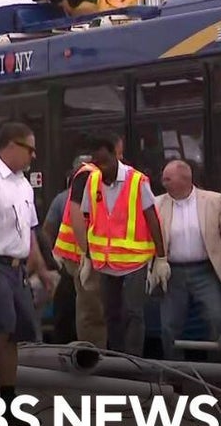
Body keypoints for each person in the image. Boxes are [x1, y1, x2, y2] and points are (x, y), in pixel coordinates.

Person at [0, 122, 55, 425]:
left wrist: (41, 268)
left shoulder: (23, 184)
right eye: (29, 149)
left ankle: (8, 400)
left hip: (17, 268)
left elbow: (30, 231)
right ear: (11, 146)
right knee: (0, 326)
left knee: (16, 334)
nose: (33, 155)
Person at [69, 134, 170, 359]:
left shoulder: (137, 181)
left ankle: (133, 361)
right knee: (110, 314)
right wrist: (86, 257)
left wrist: (161, 259)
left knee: (133, 313)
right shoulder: (92, 181)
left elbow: (153, 219)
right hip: (105, 263)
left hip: (134, 262)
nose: (101, 168)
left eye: (105, 162)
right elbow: (88, 219)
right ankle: (116, 359)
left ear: (116, 156)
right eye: (97, 163)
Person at [155, 159, 221, 365]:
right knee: (169, 326)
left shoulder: (213, 201)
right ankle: (174, 374)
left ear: (185, 179)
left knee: (216, 319)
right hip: (173, 274)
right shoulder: (157, 204)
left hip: (205, 271)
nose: (163, 183)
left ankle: (217, 372)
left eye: (168, 178)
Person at [46, 154, 107, 347]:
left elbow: (48, 230)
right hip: (82, 259)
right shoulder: (88, 189)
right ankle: (90, 356)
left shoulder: (62, 197)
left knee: (71, 310)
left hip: (71, 260)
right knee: (89, 312)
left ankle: (67, 348)